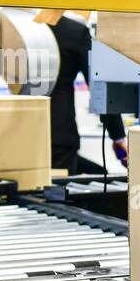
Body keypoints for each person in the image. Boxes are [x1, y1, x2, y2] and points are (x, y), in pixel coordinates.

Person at [48, 15, 128, 174]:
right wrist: (118, 136)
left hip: (7, 136)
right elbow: (100, 88)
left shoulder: (3, 27)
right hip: (58, 138)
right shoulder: (72, 31)